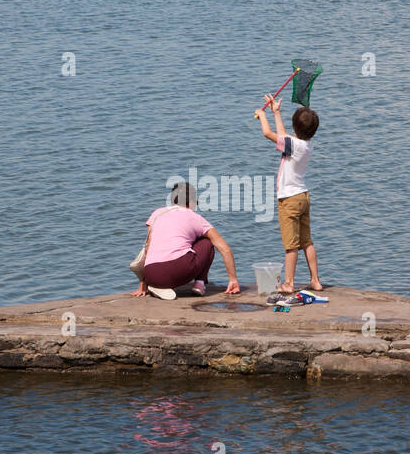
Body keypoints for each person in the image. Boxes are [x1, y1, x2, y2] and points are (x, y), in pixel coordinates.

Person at [255, 94, 323, 294]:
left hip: (289, 200)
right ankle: (315, 281)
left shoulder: (293, 145)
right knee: (307, 241)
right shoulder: (306, 145)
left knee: (291, 245)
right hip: (303, 196)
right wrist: (276, 112)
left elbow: (268, 133)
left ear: (295, 128)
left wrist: (262, 115)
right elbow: (284, 137)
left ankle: (289, 283)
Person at [134, 183, 241, 300]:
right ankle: (200, 284)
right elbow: (224, 248)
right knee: (207, 242)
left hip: (151, 275)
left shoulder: (157, 214)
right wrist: (233, 279)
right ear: (191, 201)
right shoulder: (195, 218)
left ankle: (158, 285)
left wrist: (143, 284)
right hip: (177, 271)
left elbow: (148, 249)